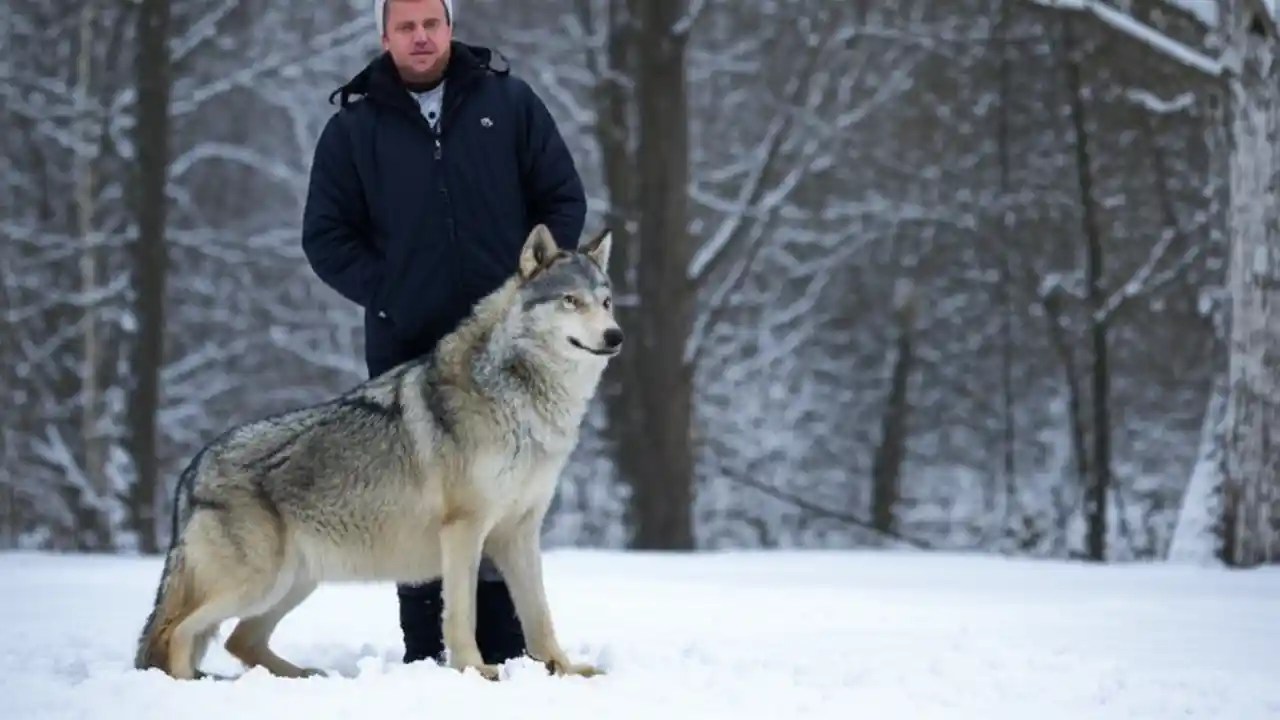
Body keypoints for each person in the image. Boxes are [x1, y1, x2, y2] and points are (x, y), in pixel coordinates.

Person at [300, 0, 587, 666]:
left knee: (505, 490)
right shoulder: (354, 127)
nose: (421, 36)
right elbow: (324, 236)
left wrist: (533, 288)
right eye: (406, 25)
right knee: (423, 498)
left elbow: (562, 197)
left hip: (510, 350)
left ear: (451, 28)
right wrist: (392, 292)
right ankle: (429, 652)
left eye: (431, 22)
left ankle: (506, 647)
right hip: (408, 349)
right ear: (385, 35)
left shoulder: (509, 102)